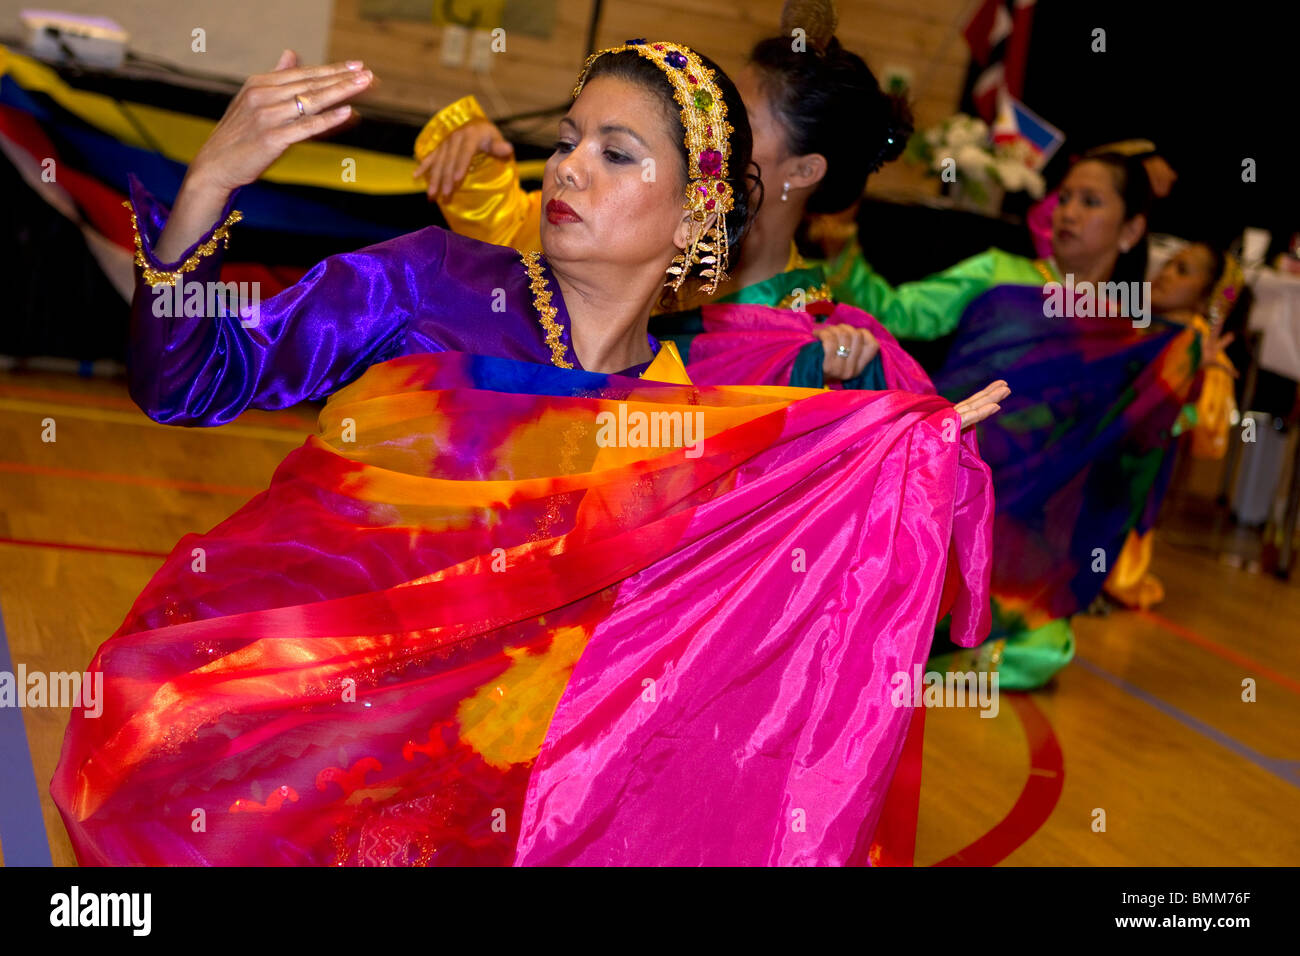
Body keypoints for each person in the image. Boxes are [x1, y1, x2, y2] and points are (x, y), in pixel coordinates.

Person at [52, 41, 1007, 866]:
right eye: (566, 143)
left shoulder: (684, 412)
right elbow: (186, 381)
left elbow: (762, 622)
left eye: (615, 152)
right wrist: (210, 186)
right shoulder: (431, 284)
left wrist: (909, 461)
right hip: (307, 746)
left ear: (690, 218)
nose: (568, 170)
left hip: (501, 805)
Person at [412, 0, 908, 387]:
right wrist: (474, 157)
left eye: (742, 123)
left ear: (804, 171)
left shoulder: (804, 342)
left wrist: (816, 373)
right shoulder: (625, 226)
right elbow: (512, 238)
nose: (717, 129)